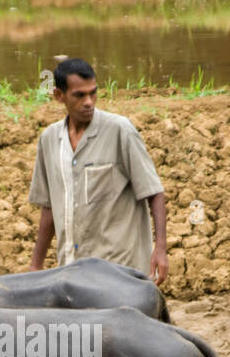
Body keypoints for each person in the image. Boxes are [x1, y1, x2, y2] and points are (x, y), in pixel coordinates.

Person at [28, 58, 169, 285]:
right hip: (72, 267)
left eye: (93, 93)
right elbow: (49, 207)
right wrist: (37, 264)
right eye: (79, 95)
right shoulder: (50, 140)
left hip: (119, 267)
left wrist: (160, 249)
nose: (89, 102)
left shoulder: (120, 132)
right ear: (58, 95)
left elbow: (154, 192)